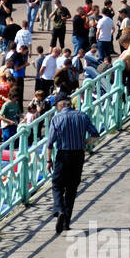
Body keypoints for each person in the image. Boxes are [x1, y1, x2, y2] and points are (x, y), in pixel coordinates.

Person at [42, 93, 99, 234]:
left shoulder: (57, 118)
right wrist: (84, 143)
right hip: (78, 155)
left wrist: (49, 161)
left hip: (63, 155)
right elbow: (95, 135)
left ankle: (59, 210)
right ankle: (66, 222)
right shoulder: (82, 116)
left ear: (60, 105)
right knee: (72, 188)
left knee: (57, 185)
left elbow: (50, 143)